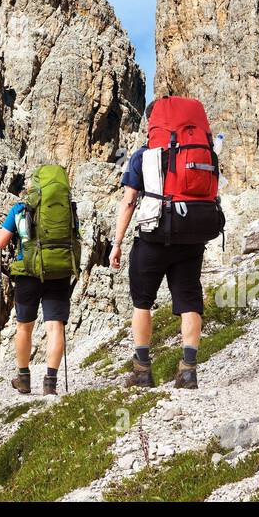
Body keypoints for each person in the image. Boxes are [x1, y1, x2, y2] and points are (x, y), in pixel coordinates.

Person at [110, 96, 224, 390]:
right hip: (192, 235)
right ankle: (188, 370)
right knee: (189, 300)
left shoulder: (143, 156)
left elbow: (129, 200)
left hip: (153, 236)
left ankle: (142, 370)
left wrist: (117, 242)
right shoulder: (204, 150)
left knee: (142, 302)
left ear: (152, 124)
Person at [0, 165, 80, 395]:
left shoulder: (21, 208)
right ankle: (50, 383)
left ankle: (24, 378)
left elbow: (0, 241)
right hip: (59, 271)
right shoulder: (69, 209)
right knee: (55, 326)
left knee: (25, 327)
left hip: (28, 274)